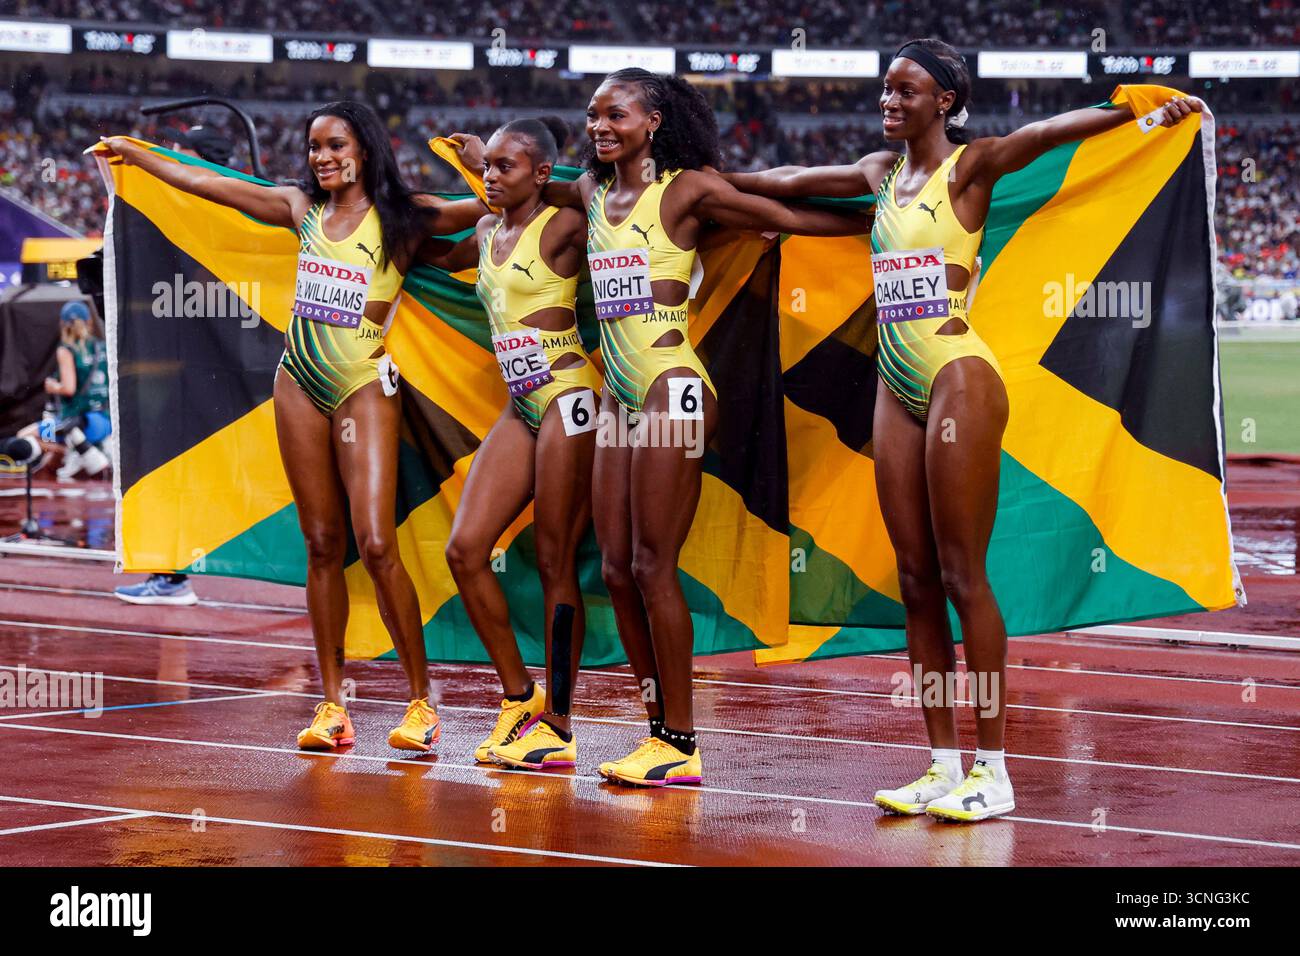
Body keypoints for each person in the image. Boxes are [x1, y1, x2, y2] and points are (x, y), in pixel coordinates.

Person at [724, 39, 1204, 820]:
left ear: (944, 101)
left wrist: (1126, 109)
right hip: (895, 383)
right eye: (884, 88)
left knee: (960, 575)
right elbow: (779, 184)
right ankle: (942, 764)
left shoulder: (971, 168)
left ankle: (994, 768)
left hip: (957, 376)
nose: (888, 100)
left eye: (905, 90)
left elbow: (1043, 136)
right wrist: (680, 185)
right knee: (913, 578)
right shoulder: (880, 177)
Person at [452, 68, 866, 786]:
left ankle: (682, 740)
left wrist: (882, 219)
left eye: (616, 115)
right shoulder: (589, 193)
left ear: (654, 122)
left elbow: (787, 202)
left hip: (672, 393)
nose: (599, 126)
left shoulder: (687, 191)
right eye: (592, 115)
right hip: (615, 400)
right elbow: (525, 187)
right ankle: (654, 736)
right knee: (616, 568)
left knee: (650, 564)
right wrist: (474, 165)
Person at [99, 101, 489, 752]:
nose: (323, 157)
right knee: (320, 543)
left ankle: (421, 702)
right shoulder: (299, 208)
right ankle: (333, 706)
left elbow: (506, 201)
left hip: (364, 384)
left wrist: (483, 170)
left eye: (335, 145)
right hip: (298, 383)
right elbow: (214, 186)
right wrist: (143, 157)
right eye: (313, 148)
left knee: (376, 542)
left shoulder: (404, 216)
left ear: (364, 148)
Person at [424, 117, 602, 769]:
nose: (493, 177)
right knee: (466, 550)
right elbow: (433, 251)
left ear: (542, 173)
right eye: (489, 167)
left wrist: (477, 167)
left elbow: (597, 194)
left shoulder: (565, 227)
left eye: (507, 167)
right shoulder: (484, 229)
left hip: (568, 398)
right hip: (520, 407)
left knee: (557, 559)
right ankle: (518, 697)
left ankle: (559, 721)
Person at [115, 124, 235, 606]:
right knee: (177, 465)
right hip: (203, 365)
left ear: (200, 160)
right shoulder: (212, 209)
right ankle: (171, 573)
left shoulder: (215, 208)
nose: (170, 164)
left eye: (178, 156)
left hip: (223, 369)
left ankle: (172, 575)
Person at [19, 299, 112, 480]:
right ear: (89, 322)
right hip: (103, 422)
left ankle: (71, 451)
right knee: (52, 454)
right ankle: (80, 450)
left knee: (24, 436)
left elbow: (69, 388)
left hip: (75, 423)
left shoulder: (66, 350)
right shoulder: (102, 347)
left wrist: (53, 386)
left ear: (63, 324)